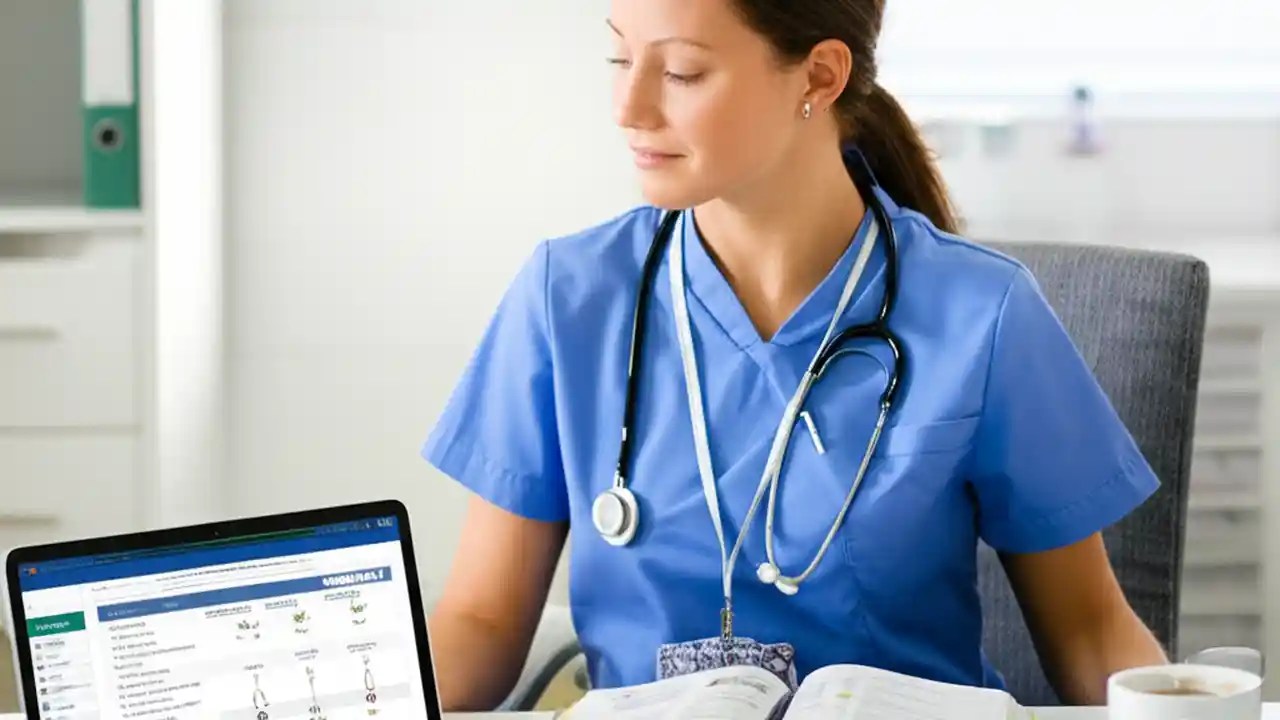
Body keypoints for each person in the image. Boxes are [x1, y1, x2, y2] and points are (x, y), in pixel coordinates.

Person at [422, 0, 1169, 711]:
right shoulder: (569, 299)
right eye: (620, 57)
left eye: (680, 72)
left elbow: (1089, 632)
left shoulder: (982, 315)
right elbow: (483, 623)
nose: (628, 108)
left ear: (819, 75)